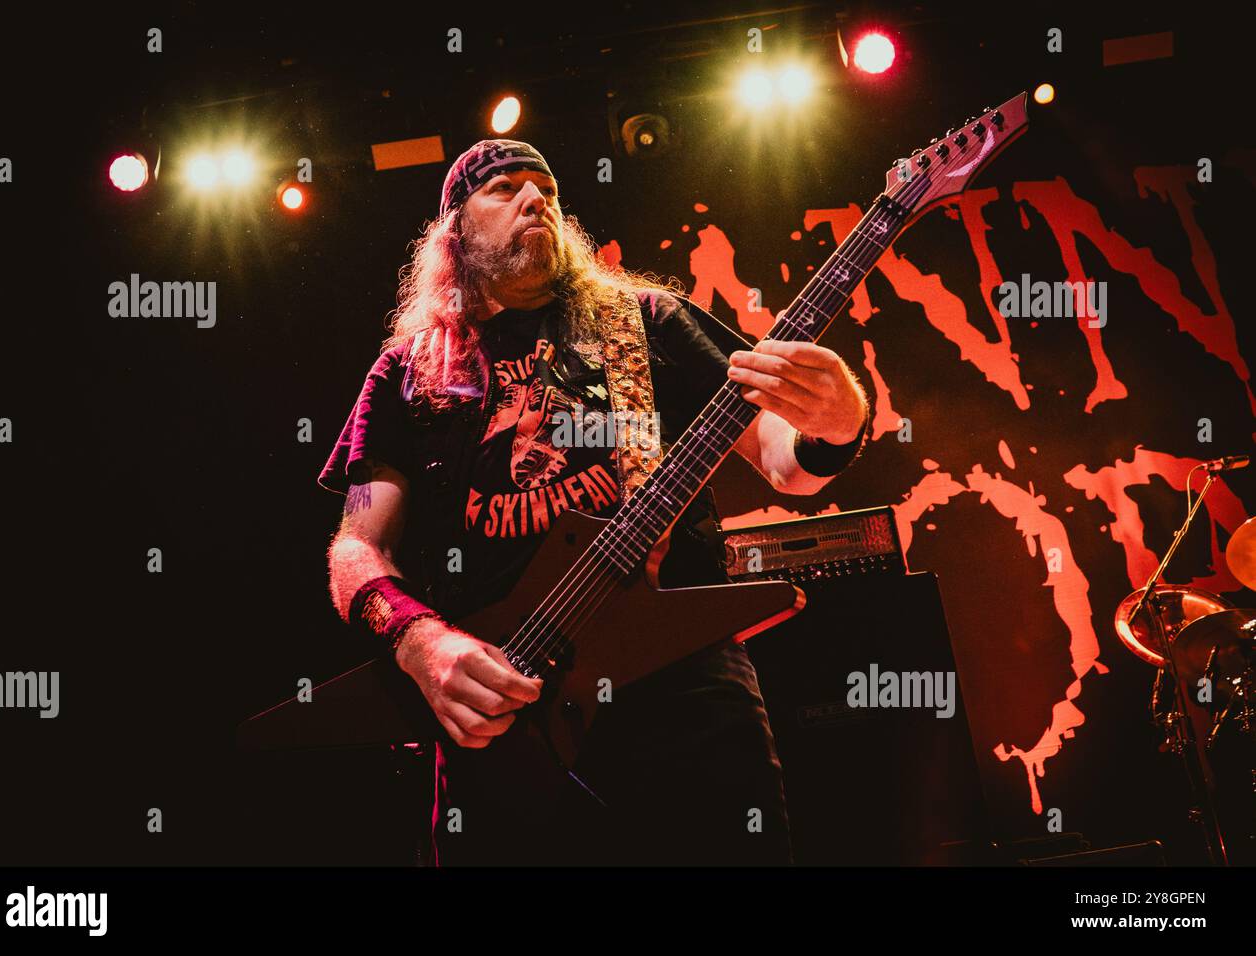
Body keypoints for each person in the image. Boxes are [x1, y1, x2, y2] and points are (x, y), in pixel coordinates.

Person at [319, 139, 870, 865]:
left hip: (679, 679)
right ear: (453, 232)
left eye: (543, 186)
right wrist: (425, 646)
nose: (533, 199)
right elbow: (359, 547)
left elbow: (782, 460)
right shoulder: (408, 372)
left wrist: (837, 423)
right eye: (505, 188)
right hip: (502, 707)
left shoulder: (646, 320)